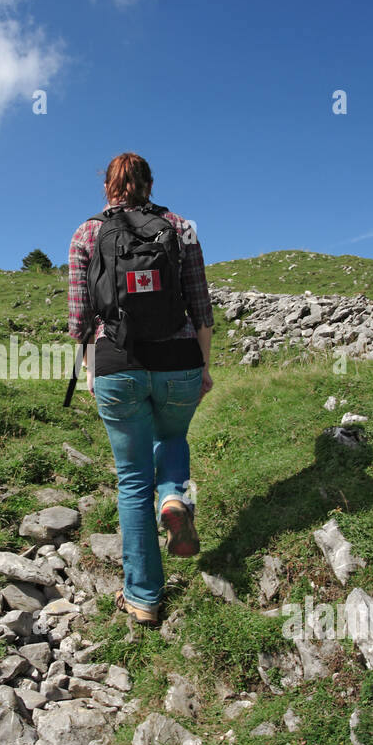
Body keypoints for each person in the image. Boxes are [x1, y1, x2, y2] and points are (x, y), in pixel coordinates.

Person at [66, 152, 214, 626]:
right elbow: (200, 305)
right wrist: (204, 366)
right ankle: (173, 497)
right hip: (179, 362)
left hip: (117, 363)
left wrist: (91, 369)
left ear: (107, 186)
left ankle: (144, 598)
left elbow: (79, 319)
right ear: (149, 184)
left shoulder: (87, 234)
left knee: (131, 482)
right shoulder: (182, 228)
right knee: (172, 437)